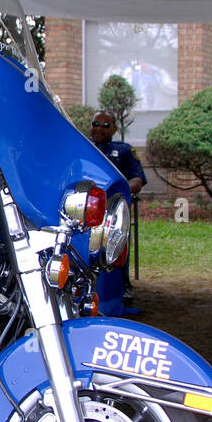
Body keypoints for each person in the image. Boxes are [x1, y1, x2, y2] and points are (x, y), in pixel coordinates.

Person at [90, 112, 145, 299]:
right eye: (95, 124)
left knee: (116, 248)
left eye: (105, 125)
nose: (99, 128)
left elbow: (137, 179)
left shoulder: (124, 151)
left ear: (114, 129)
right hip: (88, 210)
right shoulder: (85, 148)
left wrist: (117, 192)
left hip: (113, 210)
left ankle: (122, 287)